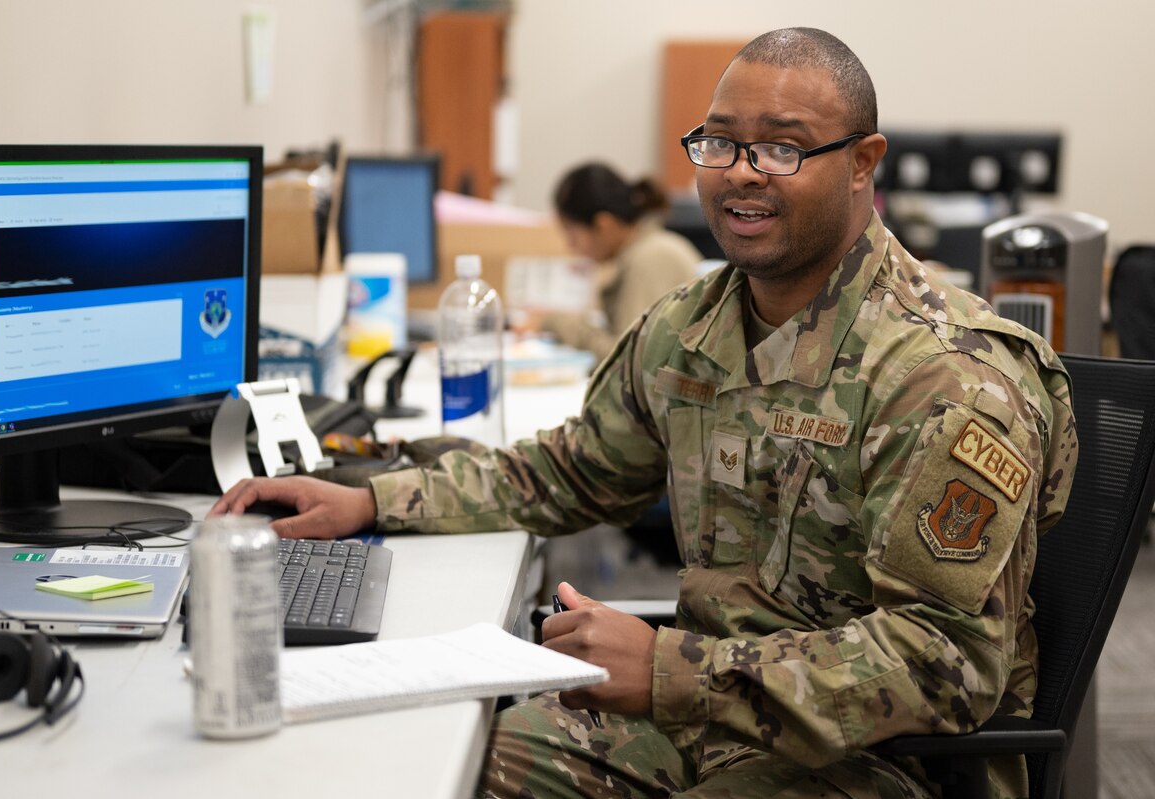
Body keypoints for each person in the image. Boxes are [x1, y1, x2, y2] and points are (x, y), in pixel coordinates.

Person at [211, 27, 1077, 799]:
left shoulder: (946, 375)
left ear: (862, 163)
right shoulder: (691, 325)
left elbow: (947, 664)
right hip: (707, 723)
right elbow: (570, 471)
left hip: (884, 760)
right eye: (720, 143)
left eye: (782, 149)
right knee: (465, 757)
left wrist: (673, 668)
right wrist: (372, 500)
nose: (741, 171)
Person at [535, 162, 702, 362]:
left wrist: (554, 322)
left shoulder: (650, 258)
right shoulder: (644, 251)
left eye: (572, 235)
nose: (571, 247)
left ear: (603, 224)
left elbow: (629, 358)